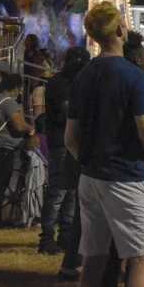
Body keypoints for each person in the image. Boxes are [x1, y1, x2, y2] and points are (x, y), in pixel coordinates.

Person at [67, 1, 144, 287]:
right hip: (126, 176)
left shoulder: (83, 76)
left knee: (93, 259)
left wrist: (91, 160)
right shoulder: (134, 77)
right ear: (120, 29)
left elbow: (70, 138)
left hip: (90, 176)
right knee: (142, 258)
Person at [39, 45, 89, 257]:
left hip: (73, 142)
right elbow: (66, 110)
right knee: (59, 190)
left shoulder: (74, 82)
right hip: (61, 142)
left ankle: (65, 235)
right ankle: (47, 236)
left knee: (71, 191)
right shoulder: (59, 83)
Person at [0, 72, 36, 228]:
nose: (22, 91)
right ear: (16, 88)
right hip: (4, 148)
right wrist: (31, 129)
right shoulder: (9, 103)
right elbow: (19, 126)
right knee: (0, 185)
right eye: (21, 88)